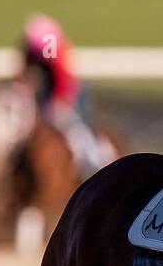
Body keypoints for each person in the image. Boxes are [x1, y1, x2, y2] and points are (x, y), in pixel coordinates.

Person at [19, 14, 114, 180]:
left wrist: (59, 105)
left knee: (76, 128)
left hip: (72, 91)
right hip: (50, 93)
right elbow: (25, 73)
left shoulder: (60, 53)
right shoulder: (32, 51)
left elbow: (66, 82)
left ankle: (99, 158)